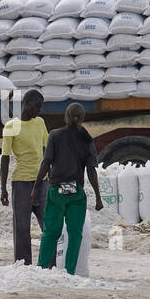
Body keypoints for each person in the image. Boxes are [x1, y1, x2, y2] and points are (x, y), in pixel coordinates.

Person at [35, 103, 104, 275]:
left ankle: (42, 269)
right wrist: (98, 197)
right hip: (76, 194)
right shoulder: (87, 140)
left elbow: (46, 163)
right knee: (75, 234)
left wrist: (36, 188)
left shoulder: (55, 136)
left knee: (51, 232)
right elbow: (91, 170)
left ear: (65, 116)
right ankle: (70, 271)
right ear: (82, 119)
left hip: (57, 192)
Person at [0, 89, 49, 265]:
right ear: (26, 104)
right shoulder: (11, 126)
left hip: (42, 182)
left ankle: (49, 263)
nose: (39, 111)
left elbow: (46, 151)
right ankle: (23, 264)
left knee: (48, 224)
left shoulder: (40, 123)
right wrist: (3, 188)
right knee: (22, 227)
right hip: (21, 182)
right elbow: (5, 158)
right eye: (37, 106)